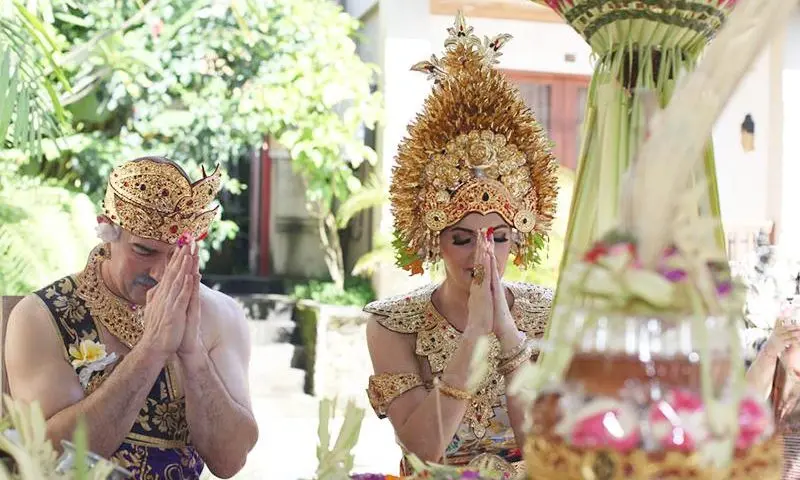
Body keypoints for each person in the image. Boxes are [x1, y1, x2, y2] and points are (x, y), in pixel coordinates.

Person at [363, 13, 559, 479]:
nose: (482, 256)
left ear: (519, 238)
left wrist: (508, 335)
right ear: (434, 239)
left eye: (499, 237)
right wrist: (473, 335)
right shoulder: (393, 324)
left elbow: (547, 451)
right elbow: (424, 451)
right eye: (462, 238)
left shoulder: (551, 313)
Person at [4, 156, 258, 479]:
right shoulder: (41, 317)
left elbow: (231, 460)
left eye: (177, 253)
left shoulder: (220, 316)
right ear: (108, 231)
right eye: (144, 251)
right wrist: (151, 351)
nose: (161, 272)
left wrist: (193, 353)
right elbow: (51, 458)